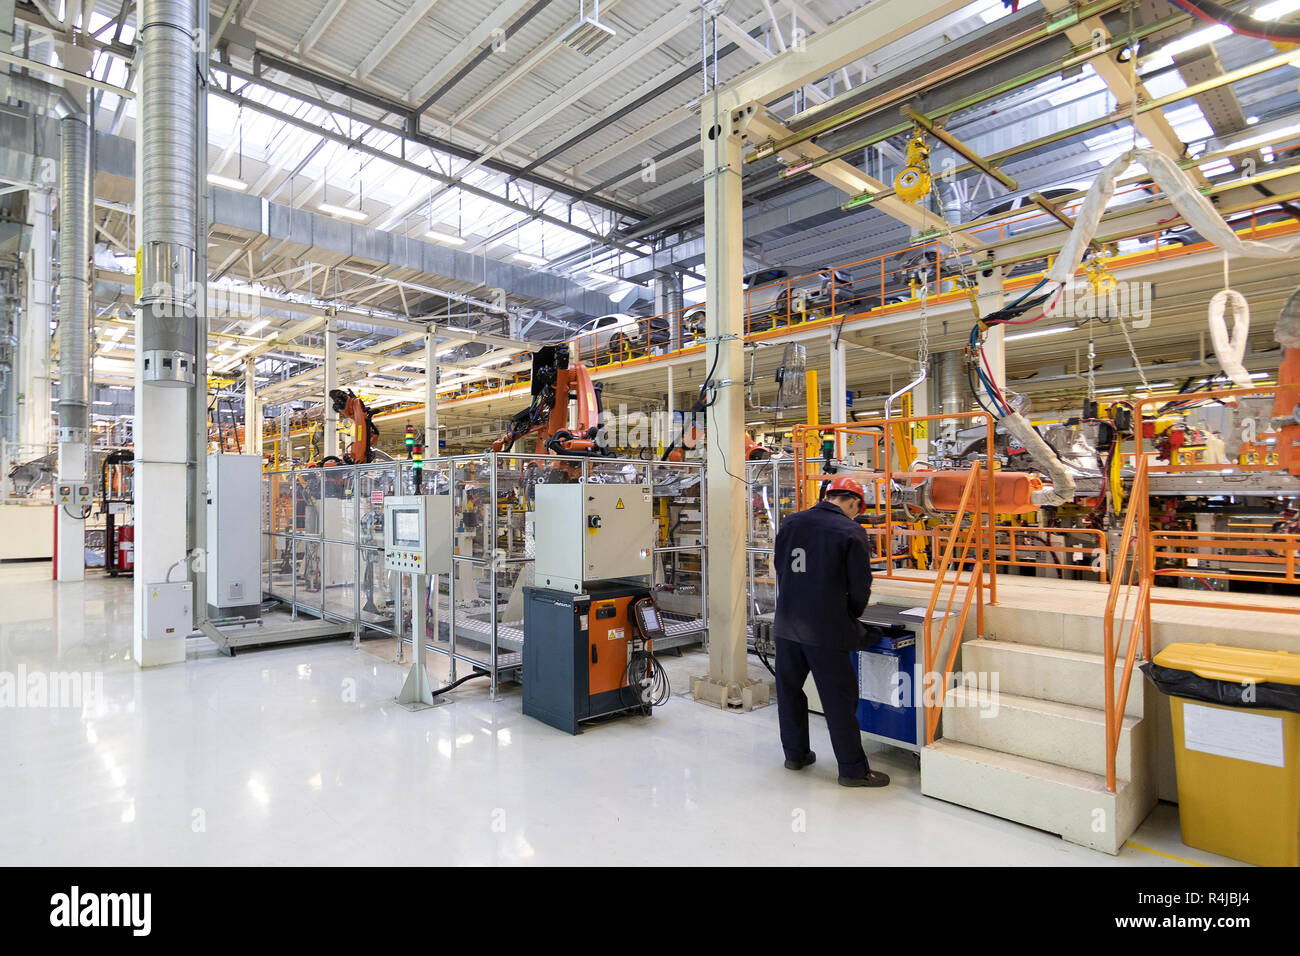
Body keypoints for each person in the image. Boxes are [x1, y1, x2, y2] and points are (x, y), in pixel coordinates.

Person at [772, 475, 889, 788]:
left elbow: (779, 567)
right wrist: (849, 618)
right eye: (857, 509)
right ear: (853, 502)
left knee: (789, 693)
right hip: (825, 631)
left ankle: (795, 755)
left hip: (785, 625)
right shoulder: (851, 530)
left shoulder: (791, 522)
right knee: (839, 700)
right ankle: (853, 770)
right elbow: (860, 588)